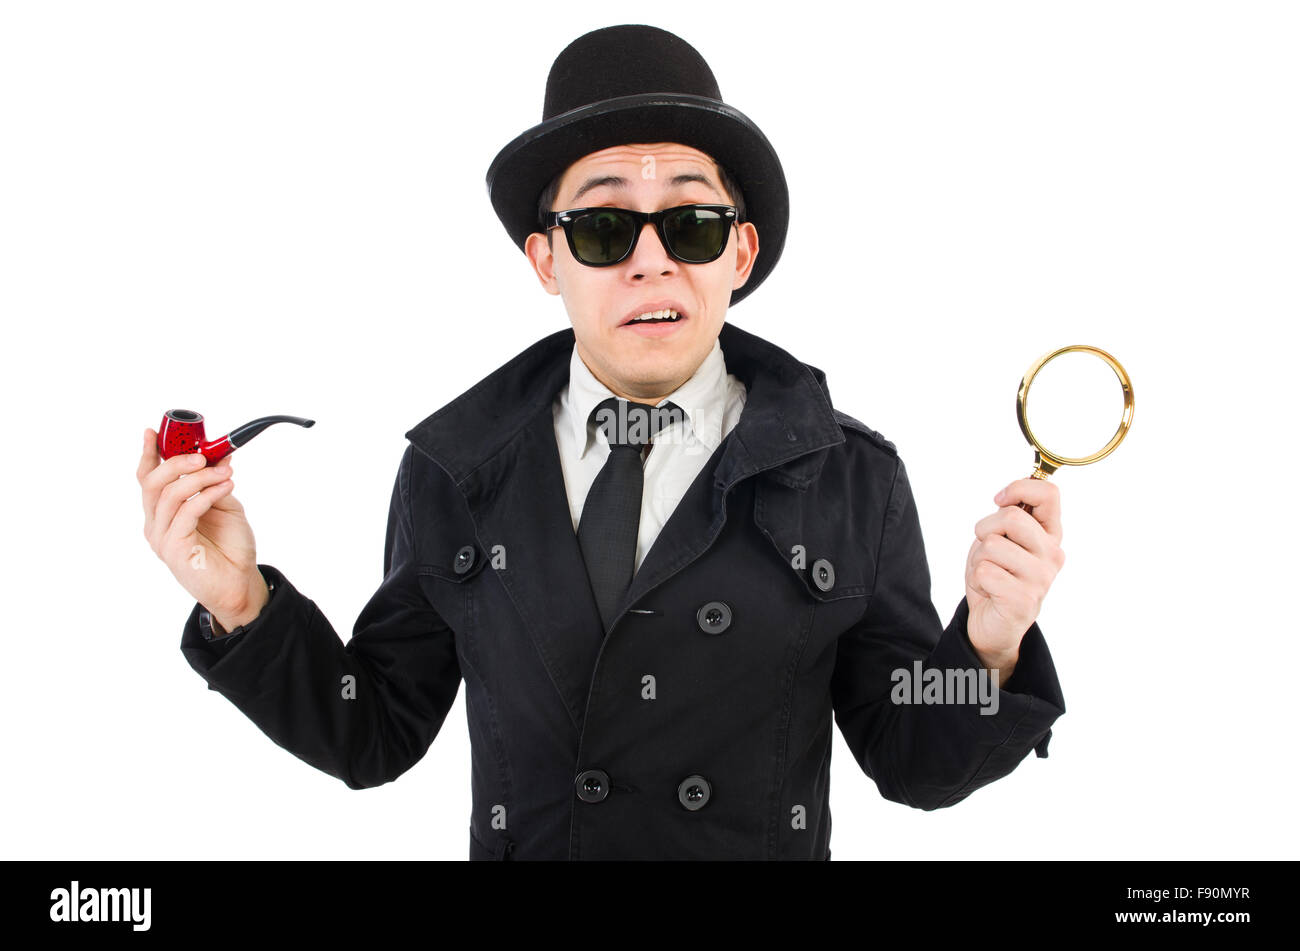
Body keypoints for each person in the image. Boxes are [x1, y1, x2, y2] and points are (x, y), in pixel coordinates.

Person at [138, 24, 1066, 861]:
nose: (651, 260)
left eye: (692, 225)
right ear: (548, 259)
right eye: (604, 227)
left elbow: (912, 754)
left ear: (739, 254)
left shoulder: (851, 479)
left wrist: (987, 650)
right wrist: (243, 605)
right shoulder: (453, 472)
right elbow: (372, 727)